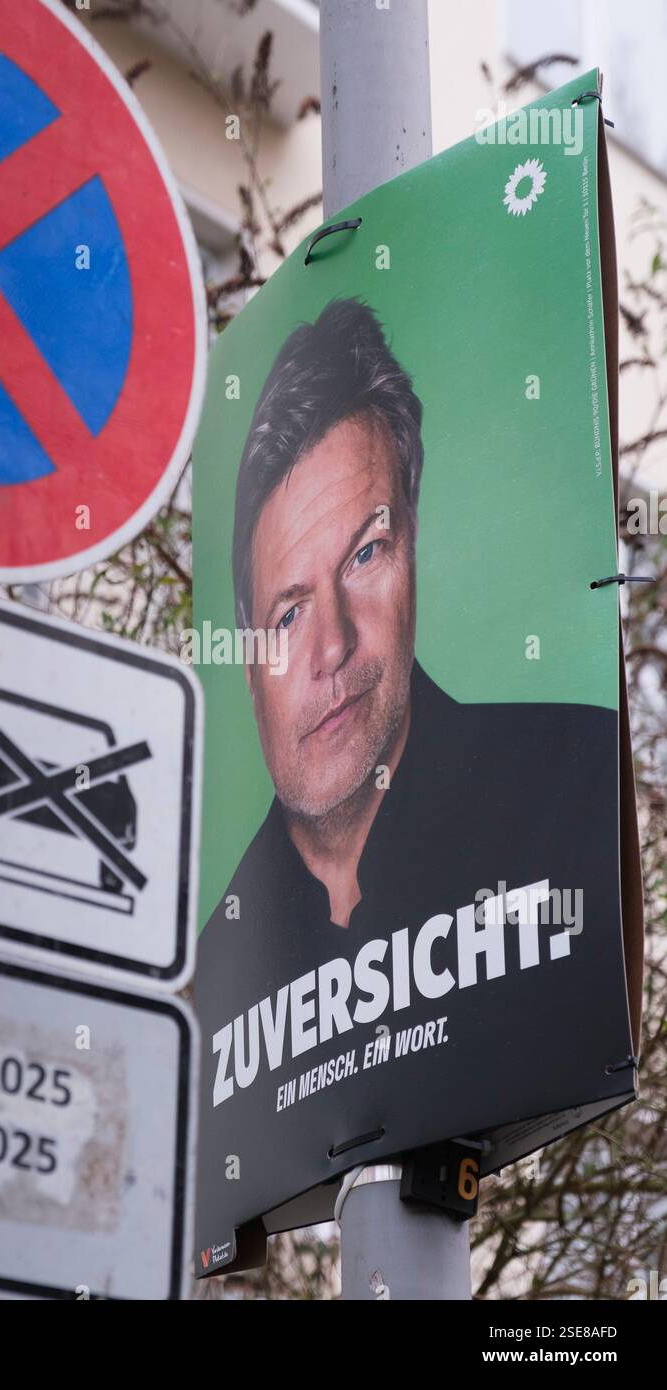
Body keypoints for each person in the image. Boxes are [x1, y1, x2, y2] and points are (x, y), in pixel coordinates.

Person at [193, 297, 630, 1275]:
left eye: (364, 553)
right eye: (287, 610)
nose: (334, 647)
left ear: (414, 544)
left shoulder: (566, 790)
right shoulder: (214, 958)